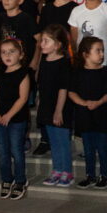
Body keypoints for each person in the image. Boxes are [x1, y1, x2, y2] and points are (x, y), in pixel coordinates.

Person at [69, 36, 107, 188]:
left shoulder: (105, 72)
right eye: (98, 51)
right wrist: (84, 103)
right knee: (87, 149)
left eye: (102, 50)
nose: (101, 54)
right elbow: (72, 92)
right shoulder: (78, 73)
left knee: (102, 147)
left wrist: (98, 102)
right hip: (85, 115)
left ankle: (104, 175)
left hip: (100, 115)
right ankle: (90, 175)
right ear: (85, 54)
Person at [34, 24, 74, 187]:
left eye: (46, 41)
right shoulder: (44, 61)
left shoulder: (64, 63)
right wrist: (39, 100)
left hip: (60, 107)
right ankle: (57, 169)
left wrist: (59, 111)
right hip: (47, 106)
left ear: (58, 45)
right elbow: (42, 84)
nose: (41, 44)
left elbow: (63, 89)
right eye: (42, 40)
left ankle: (67, 171)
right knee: (53, 141)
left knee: (62, 140)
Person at [0, 37, 32, 199]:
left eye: (12, 51)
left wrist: (9, 115)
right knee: (3, 151)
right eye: (4, 52)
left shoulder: (23, 73)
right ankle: (7, 179)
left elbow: (22, 98)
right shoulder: (0, 72)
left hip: (16, 119)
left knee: (16, 150)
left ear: (21, 55)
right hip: (1, 119)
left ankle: (21, 180)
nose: (7, 55)